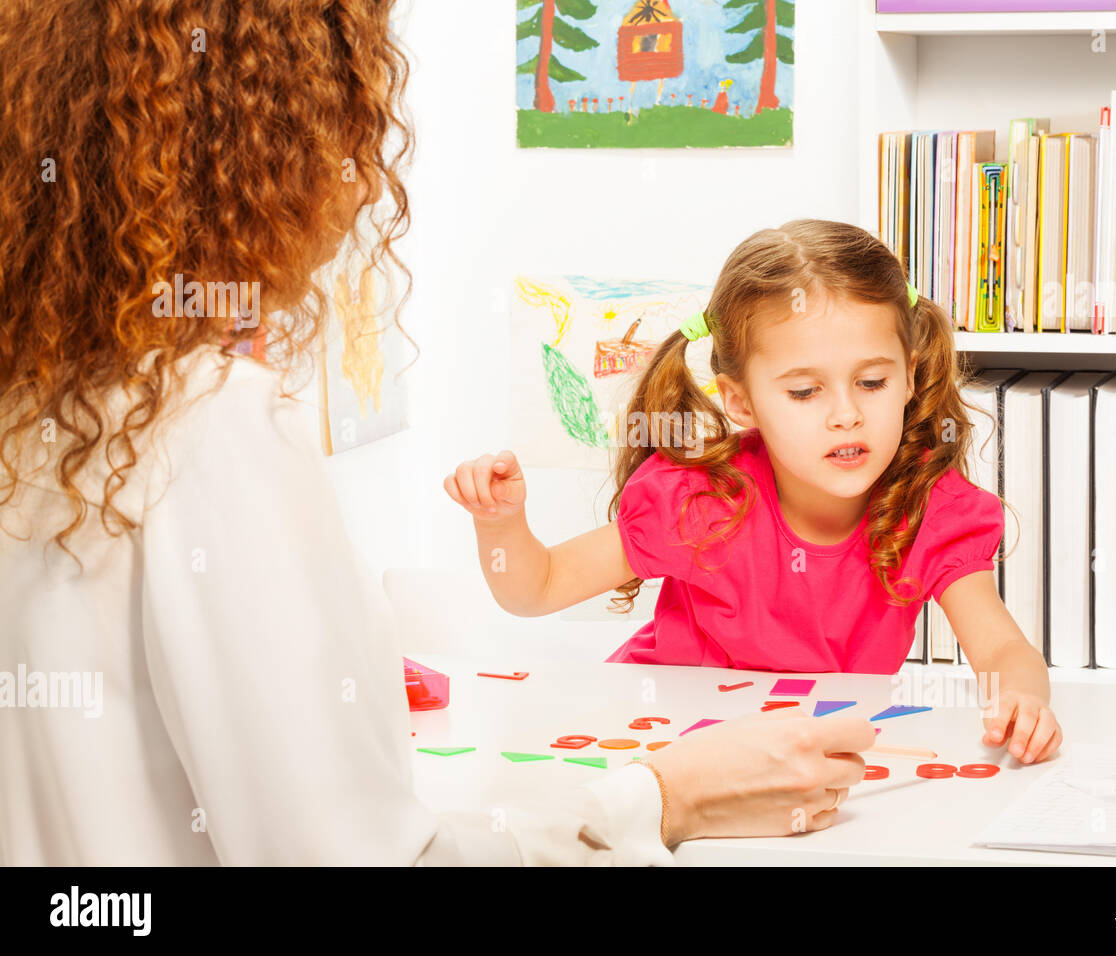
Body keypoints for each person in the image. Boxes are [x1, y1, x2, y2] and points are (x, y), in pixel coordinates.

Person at [0, 0, 870, 866]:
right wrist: (665, 797)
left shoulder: (43, 403)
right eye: (349, 116)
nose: (371, 177)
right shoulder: (210, 420)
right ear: (262, 144)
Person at [446, 219, 1062, 766]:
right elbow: (539, 588)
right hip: (664, 748)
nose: (846, 415)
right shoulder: (700, 500)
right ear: (740, 401)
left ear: (908, 375)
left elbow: (1002, 646)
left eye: (872, 381)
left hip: (804, 752)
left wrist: (1022, 699)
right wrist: (501, 525)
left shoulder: (928, 506)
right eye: (804, 392)